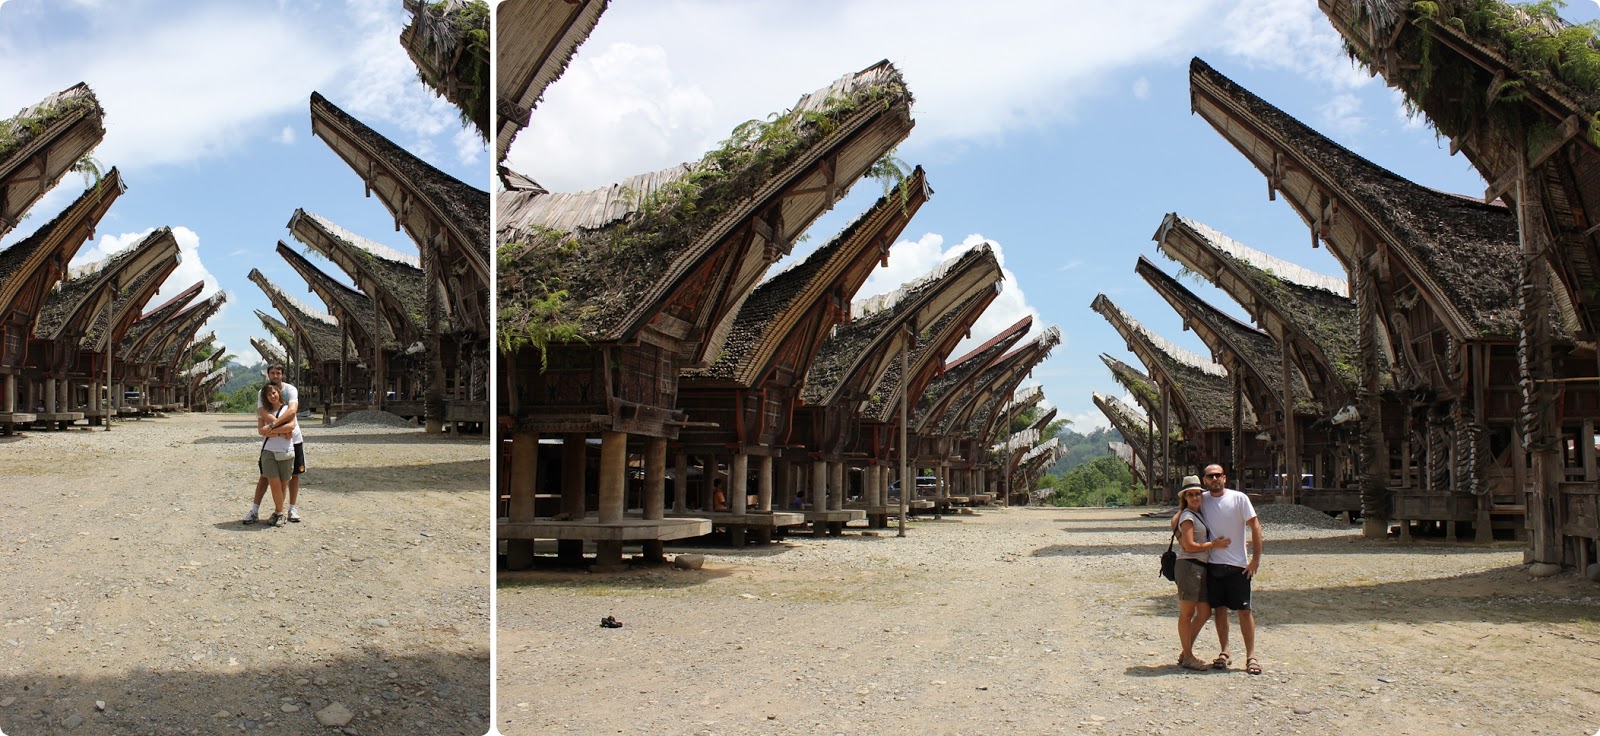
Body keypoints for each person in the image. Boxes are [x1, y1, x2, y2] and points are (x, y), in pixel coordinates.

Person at [1197, 463, 1264, 675]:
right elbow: (1183, 516)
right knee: (1220, 610)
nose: (1214, 479)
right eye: (1210, 476)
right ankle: (1224, 651)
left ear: (1225, 478)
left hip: (1238, 565)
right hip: (1214, 565)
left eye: (1217, 475)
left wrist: (1255, 560)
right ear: (1205, 480)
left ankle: (1251, 656)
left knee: (1244, 611)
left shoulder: (1239, 498)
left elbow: (1255, 526)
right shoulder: (1203, 500)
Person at [1171, 475, 1230, 670]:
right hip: (1189, 566)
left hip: (1201, 567)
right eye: (1191, 495)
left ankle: (1185, 651)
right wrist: (1213, 544)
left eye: (1198, 494)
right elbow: (1189, 546)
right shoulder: (1188, 516)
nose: (1195, 497)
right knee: (1186, 613)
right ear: (1185, 497)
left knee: (1204, 612)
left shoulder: (1196, 514)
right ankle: (1188, 656)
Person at [245, 365, 305, 523]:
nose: (276, 375)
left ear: (282, 375)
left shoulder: (291, 390)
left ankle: (291, 509)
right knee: (265, 476)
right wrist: (280, 428)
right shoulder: (262, 392)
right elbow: (262, 413)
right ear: (268, 374)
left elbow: (292, 411)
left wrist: (272, 426)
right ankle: (255, 510)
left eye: (278, 373)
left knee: (293, 475)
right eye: (273, 373)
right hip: (274, 442)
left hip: (294, 439)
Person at [254, 383, 297, 527]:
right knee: (274, 483)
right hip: (269, 451)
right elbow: (261, 431)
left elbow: (291, 427)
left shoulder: (287, 410)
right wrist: (282, 431)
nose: (272, 396)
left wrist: (272, 429)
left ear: (279, 393)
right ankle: (280, 513)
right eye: (269, 394)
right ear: (265, 398)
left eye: (274, 393)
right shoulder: (264, 412)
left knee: (283, 483)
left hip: (285, 450)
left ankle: (278, 512)